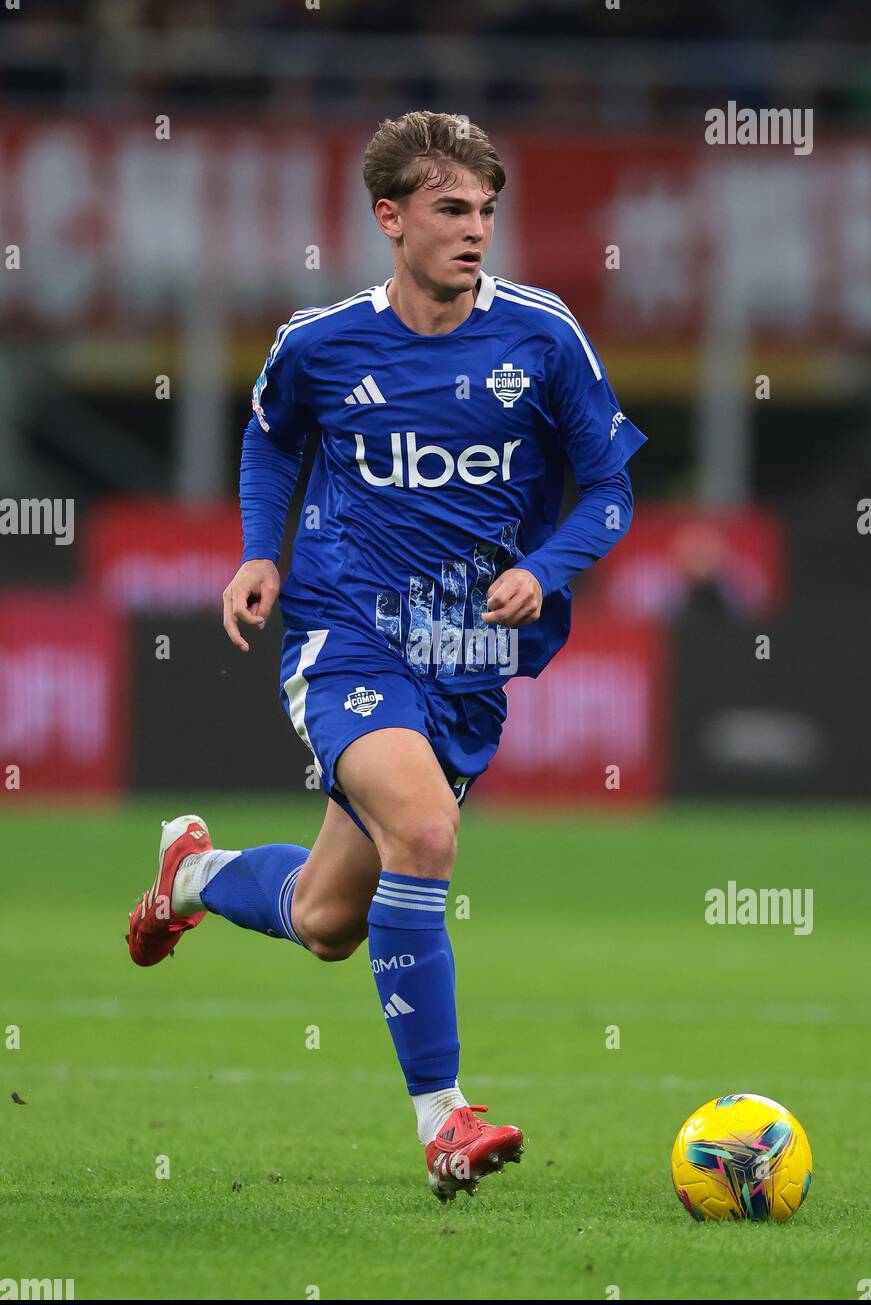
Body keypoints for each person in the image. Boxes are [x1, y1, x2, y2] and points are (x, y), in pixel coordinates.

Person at [128, 110, 646, 1202]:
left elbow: (609, 489)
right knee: (425, 827)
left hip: (466, 656)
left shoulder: (542, 338)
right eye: (451, 209)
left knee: (326, 920)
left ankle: (194, 874)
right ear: (391, 217)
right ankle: (445, 1119)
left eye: (486, 212)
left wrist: (546, 568)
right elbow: (271, 435)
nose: (474, 231)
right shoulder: (320, 343)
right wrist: (257, 556)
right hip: (345, 626)